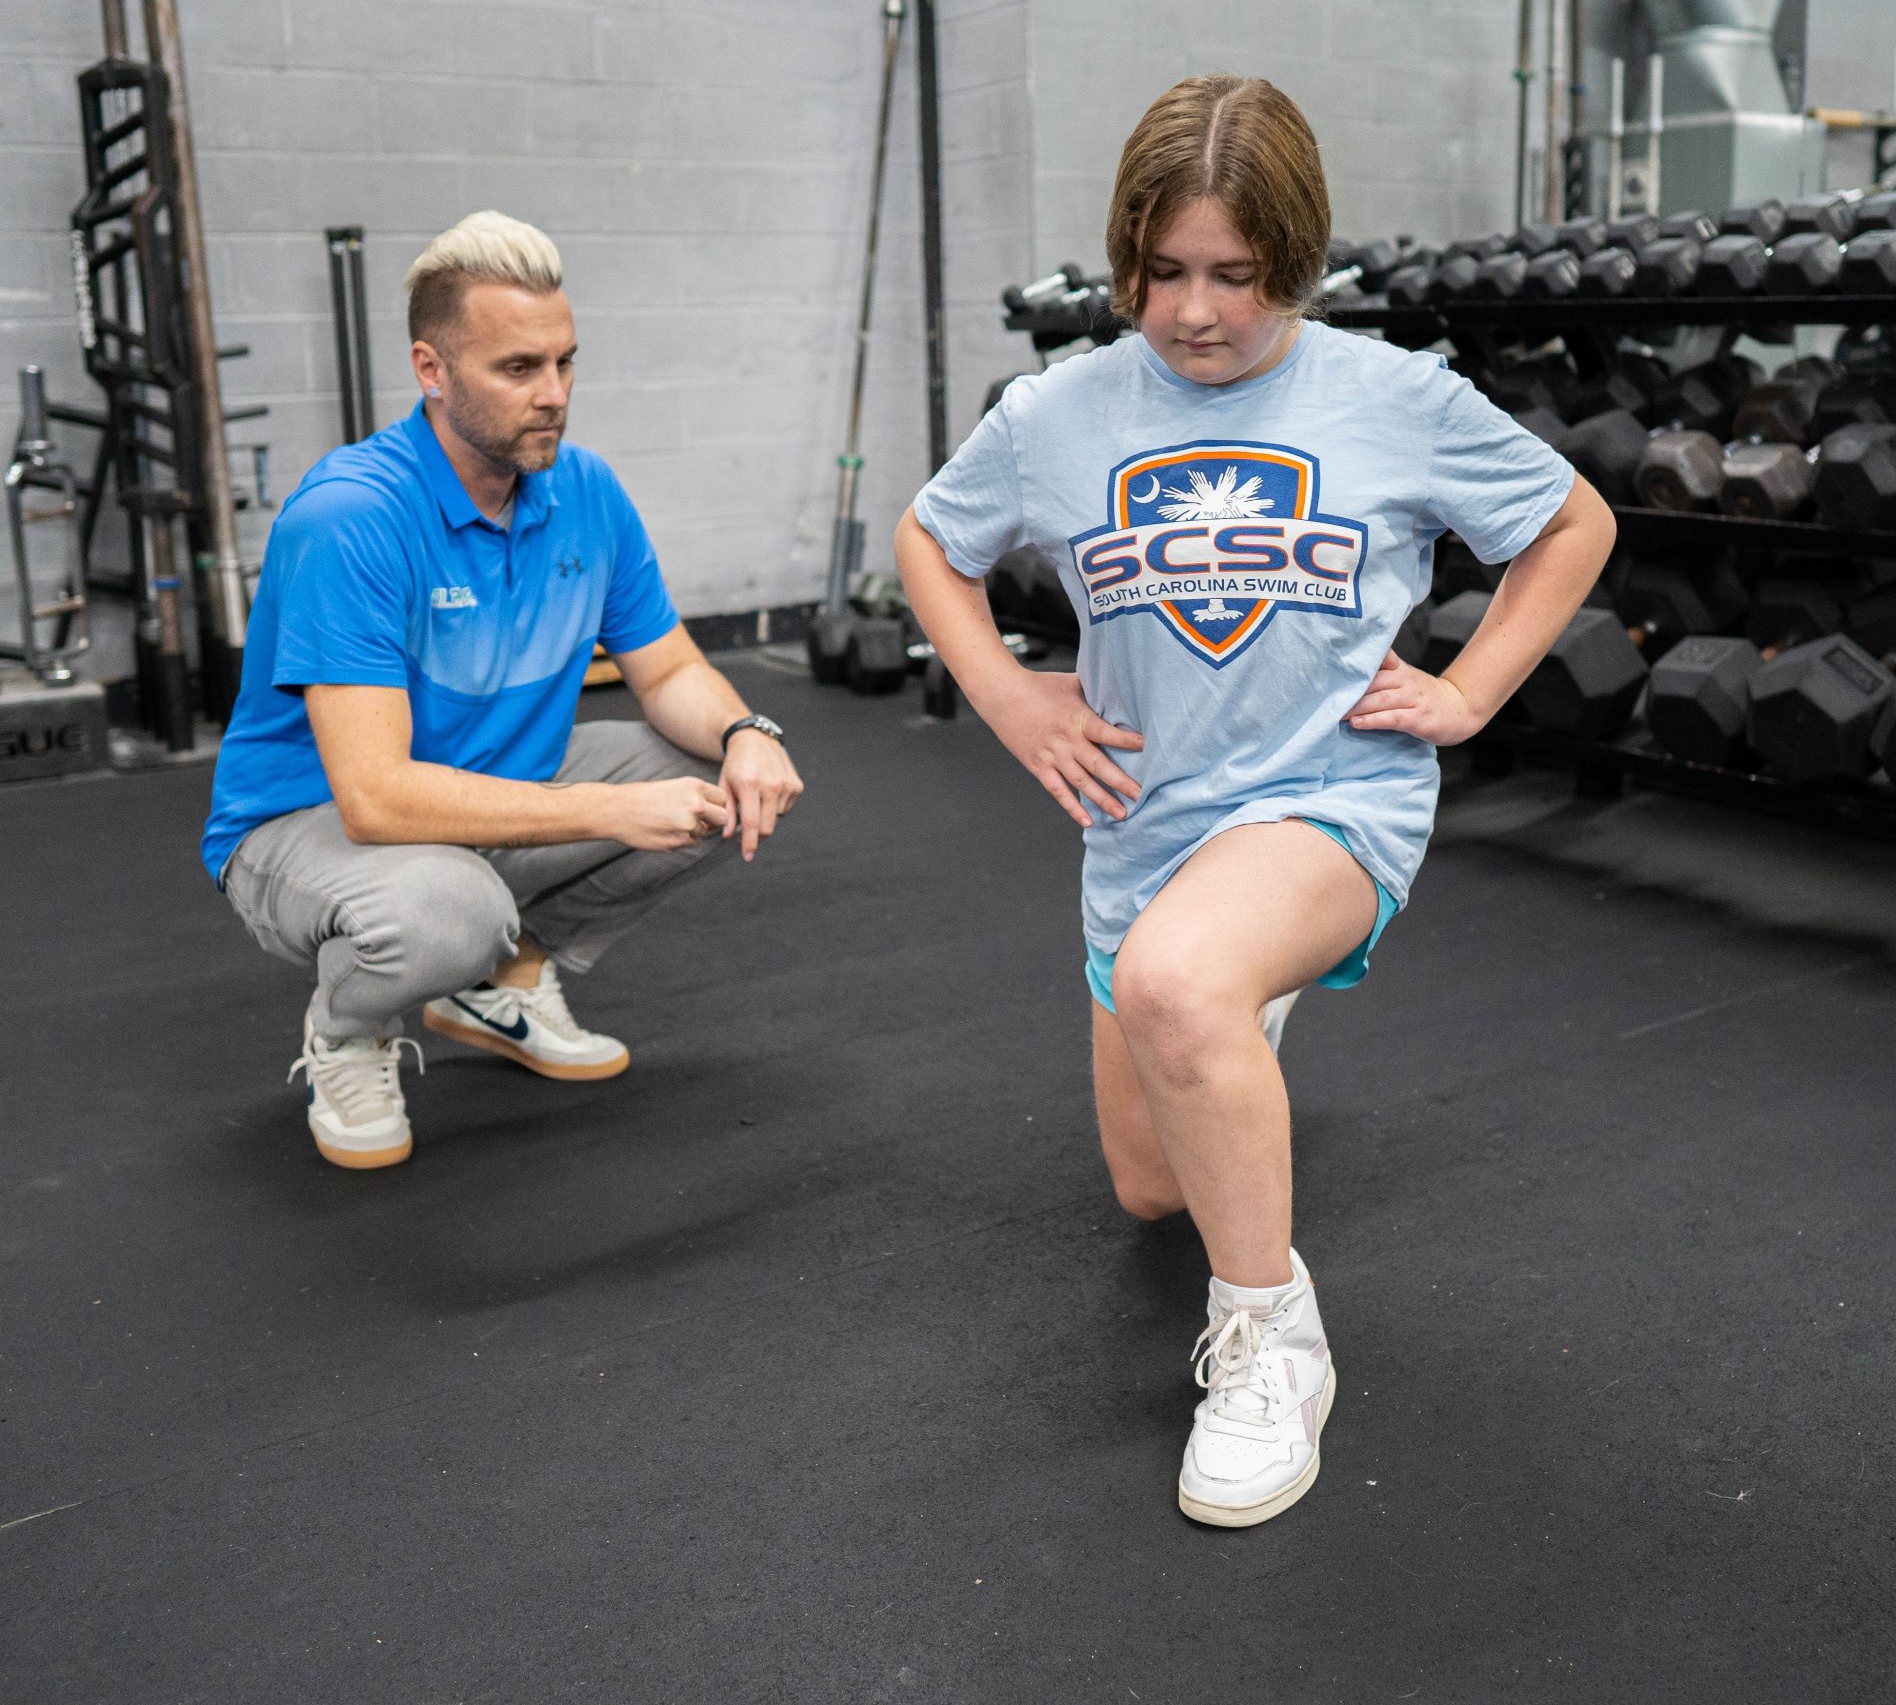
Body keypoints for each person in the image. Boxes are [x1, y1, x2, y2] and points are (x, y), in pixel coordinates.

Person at [897, 77, 1613, 1527]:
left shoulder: (1394, 397)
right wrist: (1010, 688)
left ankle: (1269, 1341)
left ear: (1294, 258)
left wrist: (1470, 694)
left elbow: (1572, 522)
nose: (1196, 310)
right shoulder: (1059, 412)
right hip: (1148, 821)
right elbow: (931, 538)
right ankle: (1226, 1002)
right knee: (1152, 1187)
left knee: (1172, 985)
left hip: (1328, 793)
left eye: (1236, 273)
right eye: (1164, 271)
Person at [203, 212, 804, 1171]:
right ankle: (346, 1034)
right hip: (305, 825)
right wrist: (611, 808)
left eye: (565, 363)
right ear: (431, 371)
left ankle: (503, 984)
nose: (555, 396)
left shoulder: (587, 491)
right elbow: (376, 796)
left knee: (712, 772)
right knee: (448, 910)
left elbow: (672, 670)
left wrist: (748, 729)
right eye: (519, 370)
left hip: (484, 791)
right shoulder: (349, 516)